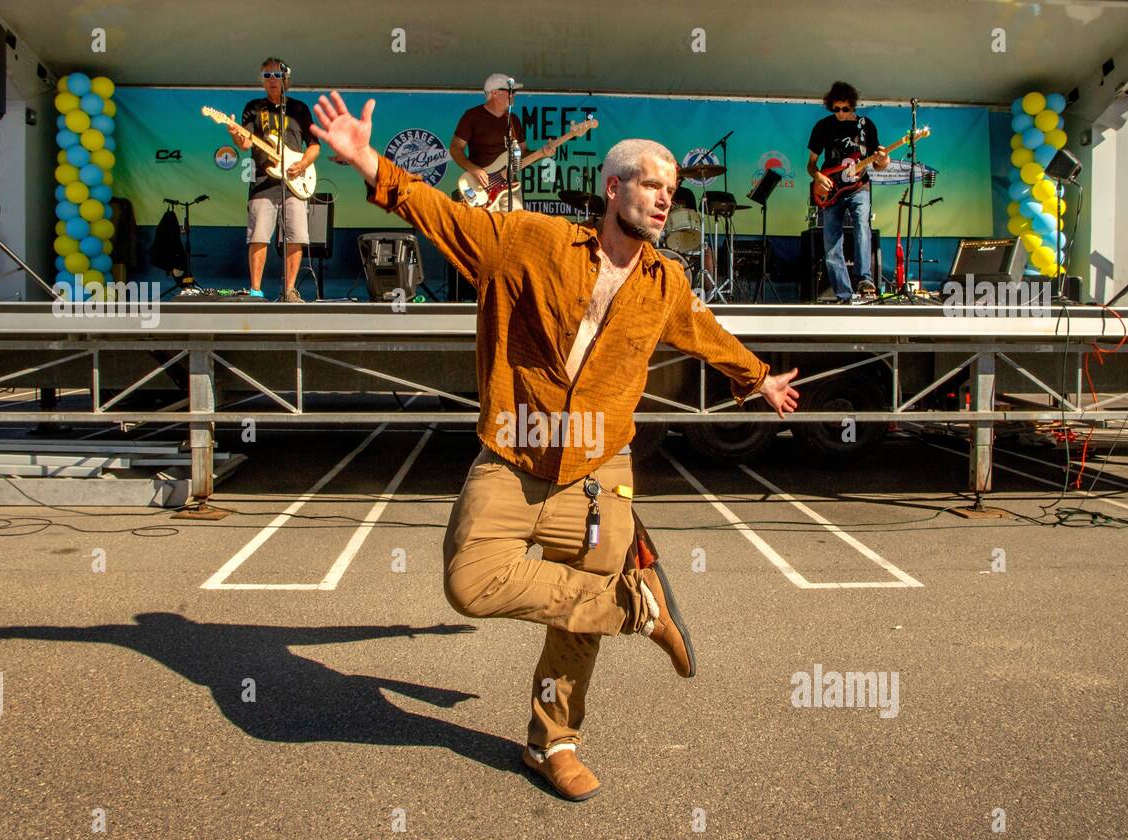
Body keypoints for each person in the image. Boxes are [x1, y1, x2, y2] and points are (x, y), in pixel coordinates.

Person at [308, 91, 800, 802]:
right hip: (515, 450)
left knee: (576, 622)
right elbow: (442, 215)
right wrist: (366, 161)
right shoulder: (528, 240)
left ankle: (553, 742)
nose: (664, 200)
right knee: (470, 580)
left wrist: (758, 381)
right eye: (650, 184)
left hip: (600, 469)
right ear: (612, 187)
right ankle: (638, 607)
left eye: (671, 189)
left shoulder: (667, 281)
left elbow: (702, 331)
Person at [228, 57, 321, 302]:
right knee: (258, 236)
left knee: (296, 236)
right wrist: (235, 134)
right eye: (267, 75)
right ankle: (256, 290)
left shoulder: (299, 108)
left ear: (285, 79)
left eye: (276, 75)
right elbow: (246, 142)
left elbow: (314, 146)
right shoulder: (254, 107)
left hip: (295, 183)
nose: (272, 80)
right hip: (262, 182)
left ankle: (289, 290)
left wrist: (302, 164)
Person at [807, 81, 889, 303]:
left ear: (852, 106)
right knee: (831, 243)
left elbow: (878, 163)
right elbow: (811, 165)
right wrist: (818, 177)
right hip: (831, 190)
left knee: (862, 225)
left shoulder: (866, 126)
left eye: (845, 109)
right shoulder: (822, 126)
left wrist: (884, 160)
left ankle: (864, 279)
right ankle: (844, 294)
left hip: (859, 187)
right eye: (836, 109)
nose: (840, 114)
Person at [449, 73, 528, 204]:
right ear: (495, 93)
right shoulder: (472, 116)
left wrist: (544, 152)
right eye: (511, 91)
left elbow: (523, 152)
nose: (514, 95)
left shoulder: (513, 120)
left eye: (514, 92)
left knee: (515, 223)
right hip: (480, 187)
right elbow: (455, 148)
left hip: (510, 187)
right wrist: (474, 169)